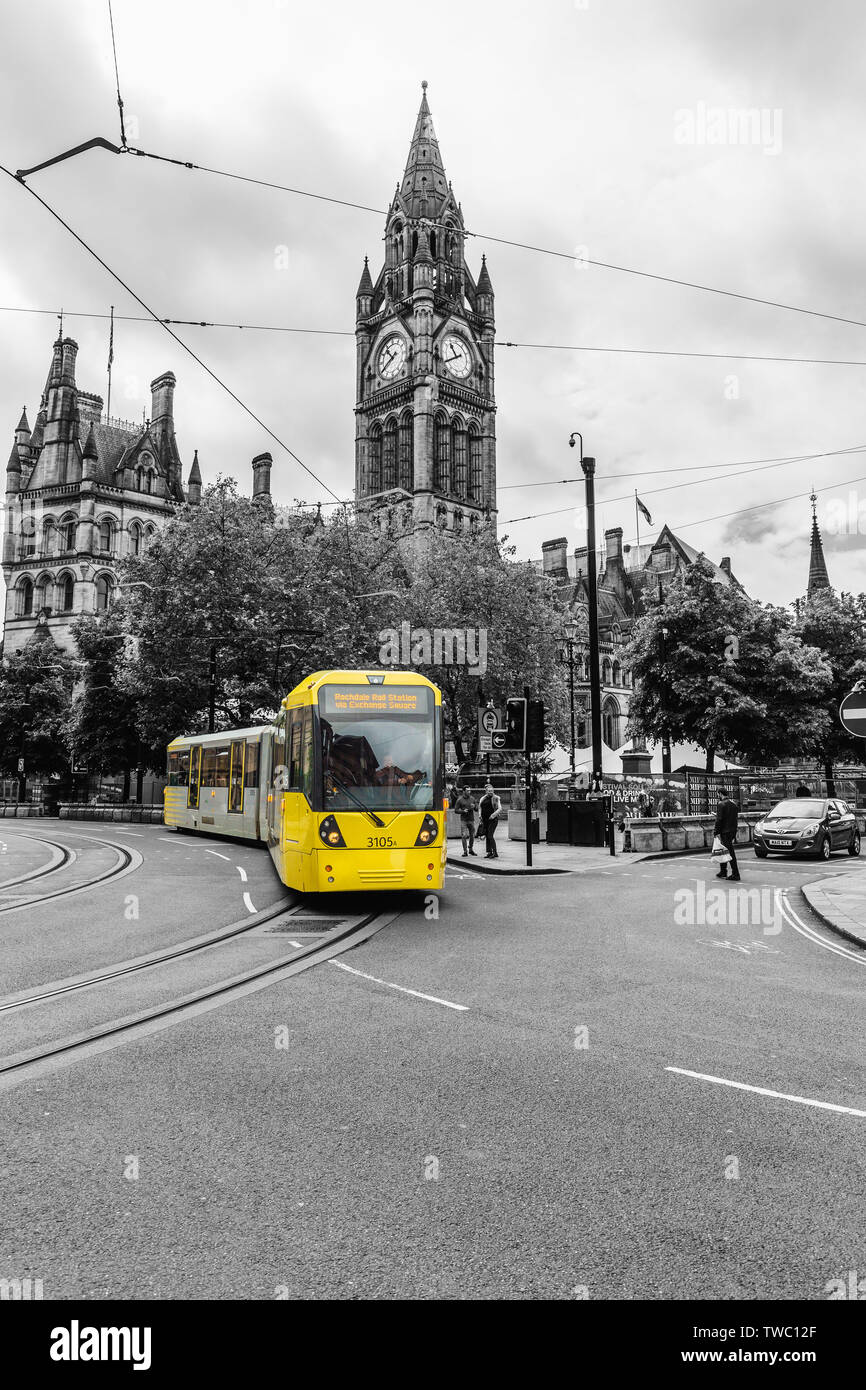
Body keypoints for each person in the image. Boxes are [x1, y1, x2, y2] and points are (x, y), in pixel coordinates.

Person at [714, 790, 740, 881]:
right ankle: (723, 871)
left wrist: (716, 831)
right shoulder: (733, 804)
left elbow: (719, 820)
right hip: (732, 830)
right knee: (724, 851)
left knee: (729, 852)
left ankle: (735, 873)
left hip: (725, 831)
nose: (718, 795)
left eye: (718, 794)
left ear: (720, 794)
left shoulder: (721, 804)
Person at [478, 781, 502, 859]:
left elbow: (500, 808)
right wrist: (479, 815)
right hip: (485, 820)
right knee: (488, 836)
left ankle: (495, 853)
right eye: (489, 791)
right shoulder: (482, 798)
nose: (490, 792)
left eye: (492, 791)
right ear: (486, 791)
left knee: (490, 835)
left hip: (493, 820)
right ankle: (489, 852)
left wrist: (493, 815)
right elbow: (480, 807)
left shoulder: (496, 798)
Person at [453, 786, 477, 857]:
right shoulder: (459, 800)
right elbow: (456, 810)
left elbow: (476, 809)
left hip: (471, 819)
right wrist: (463, 811)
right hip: (464, 820)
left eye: (470, 790)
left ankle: (471, 849)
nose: (469, 792)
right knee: (464, 836)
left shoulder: (472, 798)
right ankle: (465, 851)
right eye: (467, 791)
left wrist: (474, 807)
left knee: (472, 835)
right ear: (464, 791)